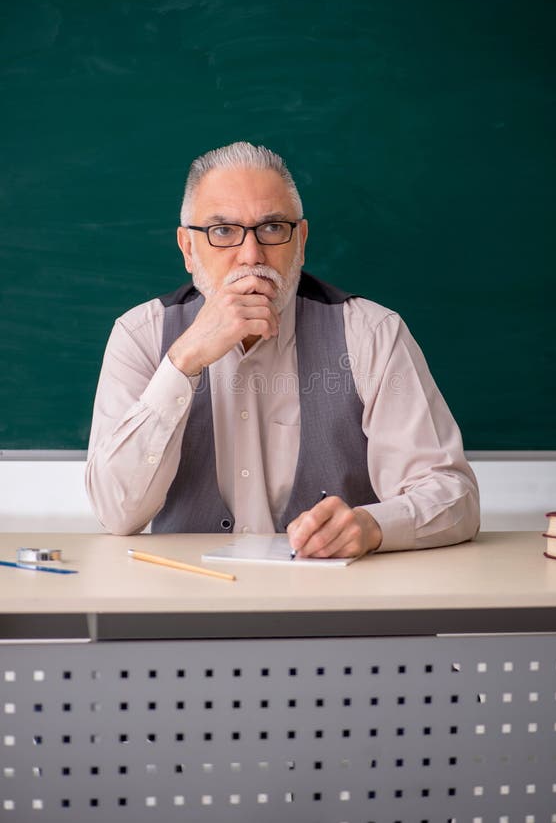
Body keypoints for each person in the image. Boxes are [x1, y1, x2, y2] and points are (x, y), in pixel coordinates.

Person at [86, 142, 480, 557]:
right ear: (188, 248)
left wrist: (372, 527)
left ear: (301, 241)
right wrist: (182, 363)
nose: (251, 255)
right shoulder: (140, 336)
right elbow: (116, 513)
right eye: (223, 231)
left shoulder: (372, 333)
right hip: (189, 593)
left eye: (273, 228)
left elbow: (454, 498)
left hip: (335, 594)